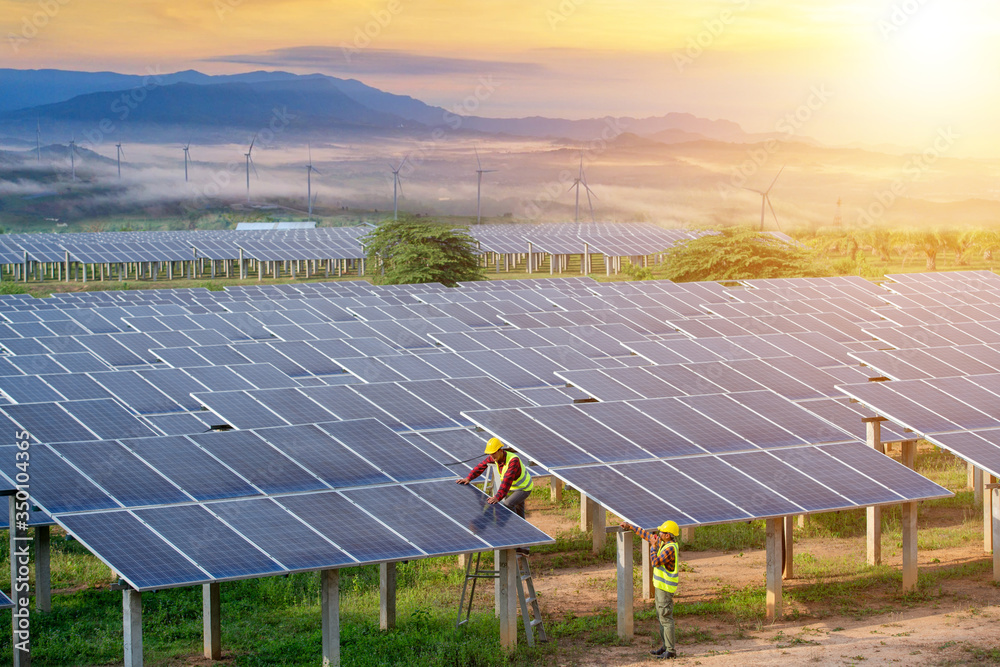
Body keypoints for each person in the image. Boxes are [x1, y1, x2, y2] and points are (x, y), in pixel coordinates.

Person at [621, 520, 680, 659]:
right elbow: (647, 535)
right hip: (660, 587)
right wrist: (630, 526)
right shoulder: (664, 543)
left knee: (665, 617)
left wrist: (652, 548)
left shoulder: (670, 548)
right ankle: (665, 647)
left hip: (665, 588)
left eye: (662, 533)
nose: (658, 534)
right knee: (661, 617)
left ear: (668, 535)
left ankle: (670, 651)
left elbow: (655, 562)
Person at [456, 437, 533, 519]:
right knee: (519, 511)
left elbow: (507, 480)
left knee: (508, 504)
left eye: (493, 453)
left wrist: (497, 497)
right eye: (490, 454)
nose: (491, 456)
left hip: (524, 487)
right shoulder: (495, 457)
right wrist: (468, 478)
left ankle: (516, 524)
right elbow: (481, 466)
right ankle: (522, 527)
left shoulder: (513, 461)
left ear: (500, 451)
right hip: (514, 487)